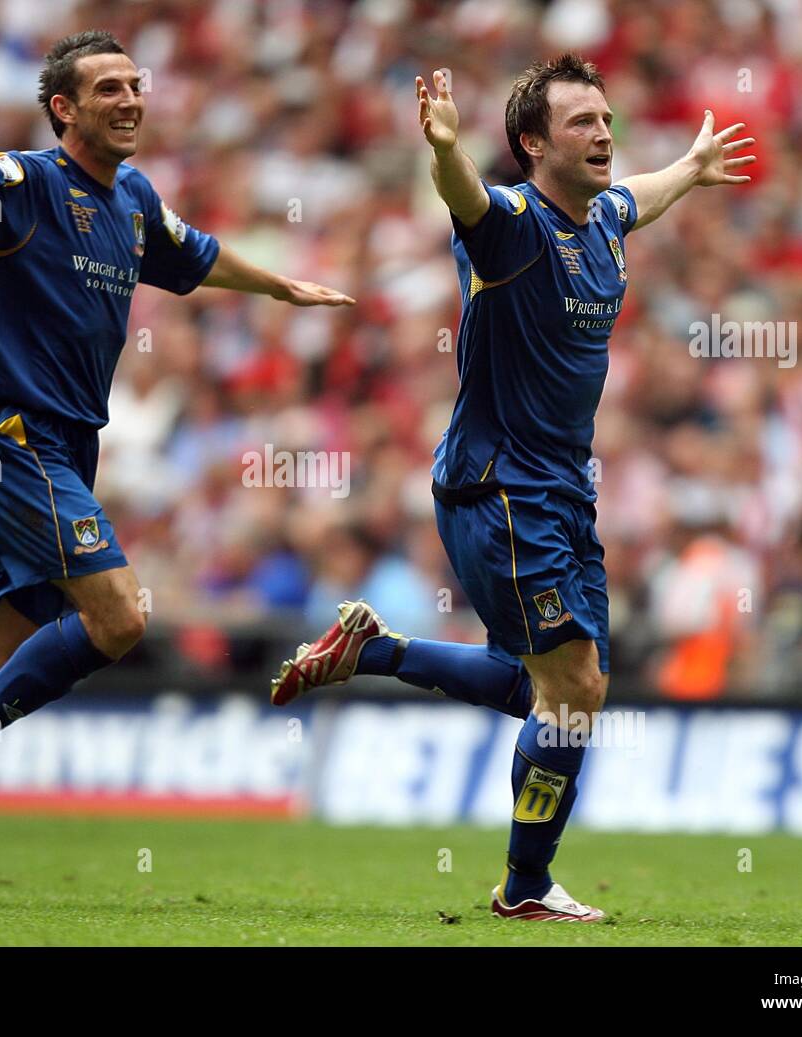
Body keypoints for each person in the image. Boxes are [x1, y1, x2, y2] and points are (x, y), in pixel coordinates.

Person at [0, 30, 354, 904]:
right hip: (13, 437)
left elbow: (199, 256)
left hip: (65, 447)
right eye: (109, 88)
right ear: (64, 108)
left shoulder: (134, 197)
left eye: (136, 84)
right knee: (121, 616)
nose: (132, 98)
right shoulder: (30, 185)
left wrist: (283, 288)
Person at [270, 53, 754, 922]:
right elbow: (467, 195)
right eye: (582, 123)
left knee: (550, 688)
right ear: (533, 143)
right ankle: (524, 886)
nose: (603, 133)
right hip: (502, 486)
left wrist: (690, 167)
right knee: (575, 689)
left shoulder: (603, 216)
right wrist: (446, 150)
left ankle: (378, 653)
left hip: (563, 490)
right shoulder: (511, 226)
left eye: (606, 119)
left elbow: (638, 195)